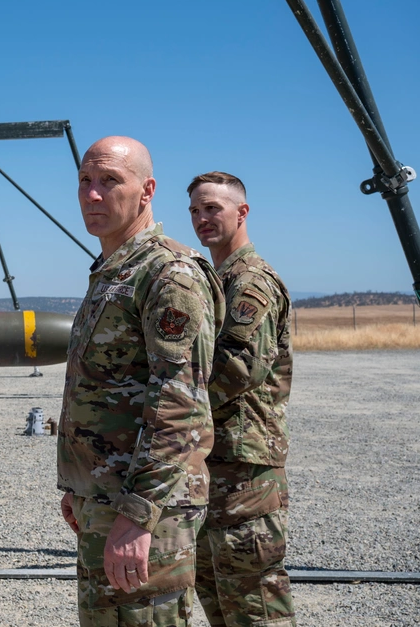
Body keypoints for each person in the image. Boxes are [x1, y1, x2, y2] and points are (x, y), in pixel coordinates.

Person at [58, 136, 224, 626]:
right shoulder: (115, 271)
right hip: (106, 500)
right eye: (85, 181)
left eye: (110, 181)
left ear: (146, 190)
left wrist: (137, 513)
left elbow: (179, 404)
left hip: (148, 508)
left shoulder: (168, 273)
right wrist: (80, 486)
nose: (93, 194)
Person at [187, 172, 296, 627]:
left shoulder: (249, 282)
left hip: (245, 465)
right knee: (218, 592)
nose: (202, 219)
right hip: (218, 459)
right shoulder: (218, 277)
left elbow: (237, 370)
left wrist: (170, 400)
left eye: (212, 208)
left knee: (252, 599)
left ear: (241, 212)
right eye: (195, 210)